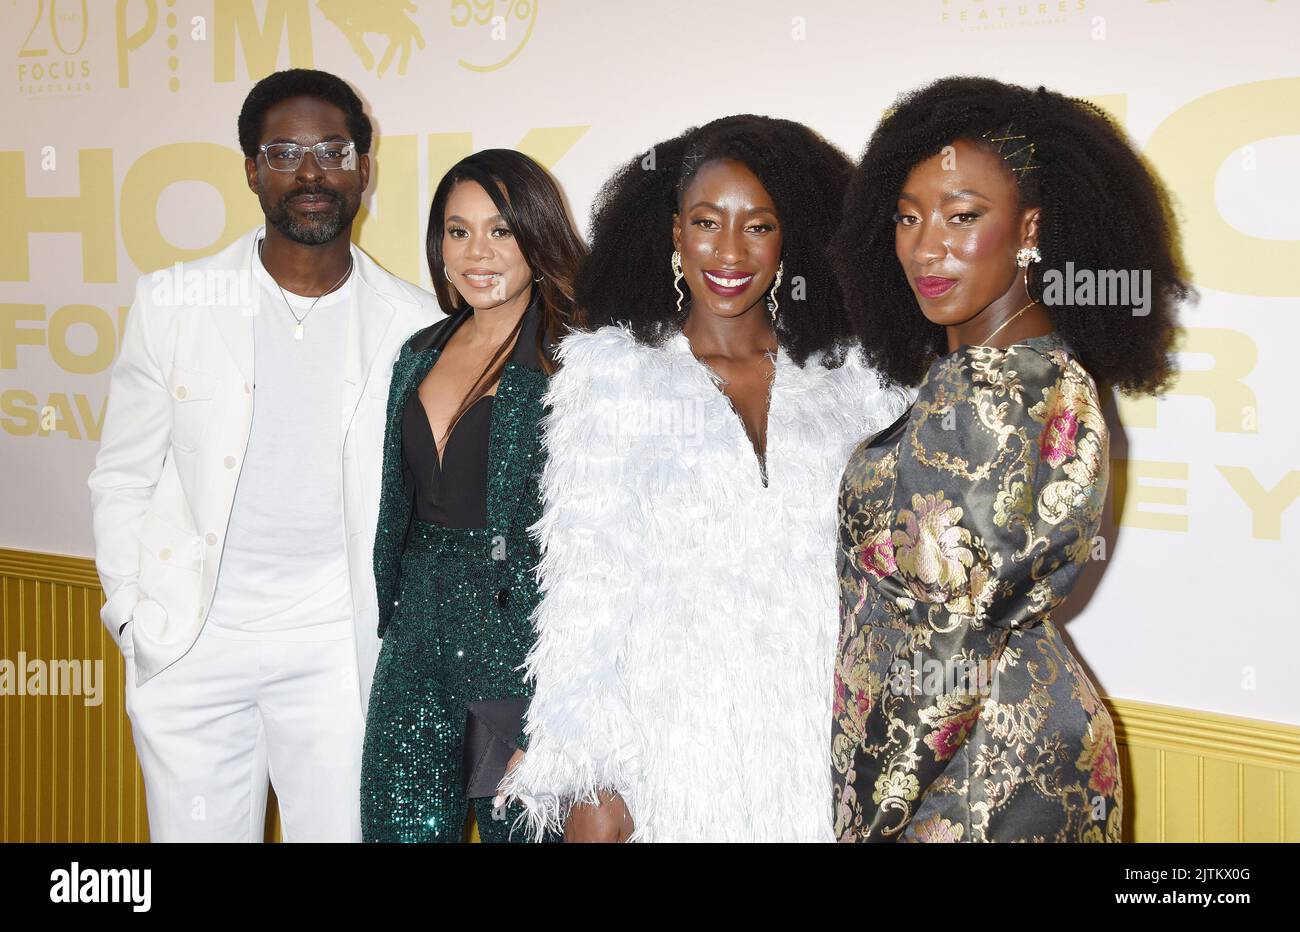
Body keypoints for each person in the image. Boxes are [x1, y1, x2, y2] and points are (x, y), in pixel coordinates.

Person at [500, 115, 912, 842]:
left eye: (758, 226)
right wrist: (593, 770)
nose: (729, 250)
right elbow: (584, 584)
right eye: (705, 221)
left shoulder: (853, 379)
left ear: (791, 241)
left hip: (822, 735)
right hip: (674, 743)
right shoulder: (615, 376)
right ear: (672, 234)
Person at [828, 76, 1188, 842]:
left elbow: (952, 638)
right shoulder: (1037, 366)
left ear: (1030, 228)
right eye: (907, 217)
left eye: (963, 217)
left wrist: (875, 815)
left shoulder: (990, 388)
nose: (927, 246)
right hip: (1008, 741)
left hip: (965, 773)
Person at [87, 68, 440, 841]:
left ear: (363, 169)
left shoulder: (413, 322)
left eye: (332, 150)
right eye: (284, 151)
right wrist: (129, 614)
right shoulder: (174, 302)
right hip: (191, 644)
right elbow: (123, 473)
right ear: (251, 170)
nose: (311, 172)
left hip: (336, 654)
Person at [361, 150, 585, 842]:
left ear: (537, 238)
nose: (477, 253)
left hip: (518, 650)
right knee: (395, 830)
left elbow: (600, 536)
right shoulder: (419, 351)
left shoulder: (574, 361)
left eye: (500, 231)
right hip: (413, 644)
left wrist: (569, 707)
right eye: (458, 232)